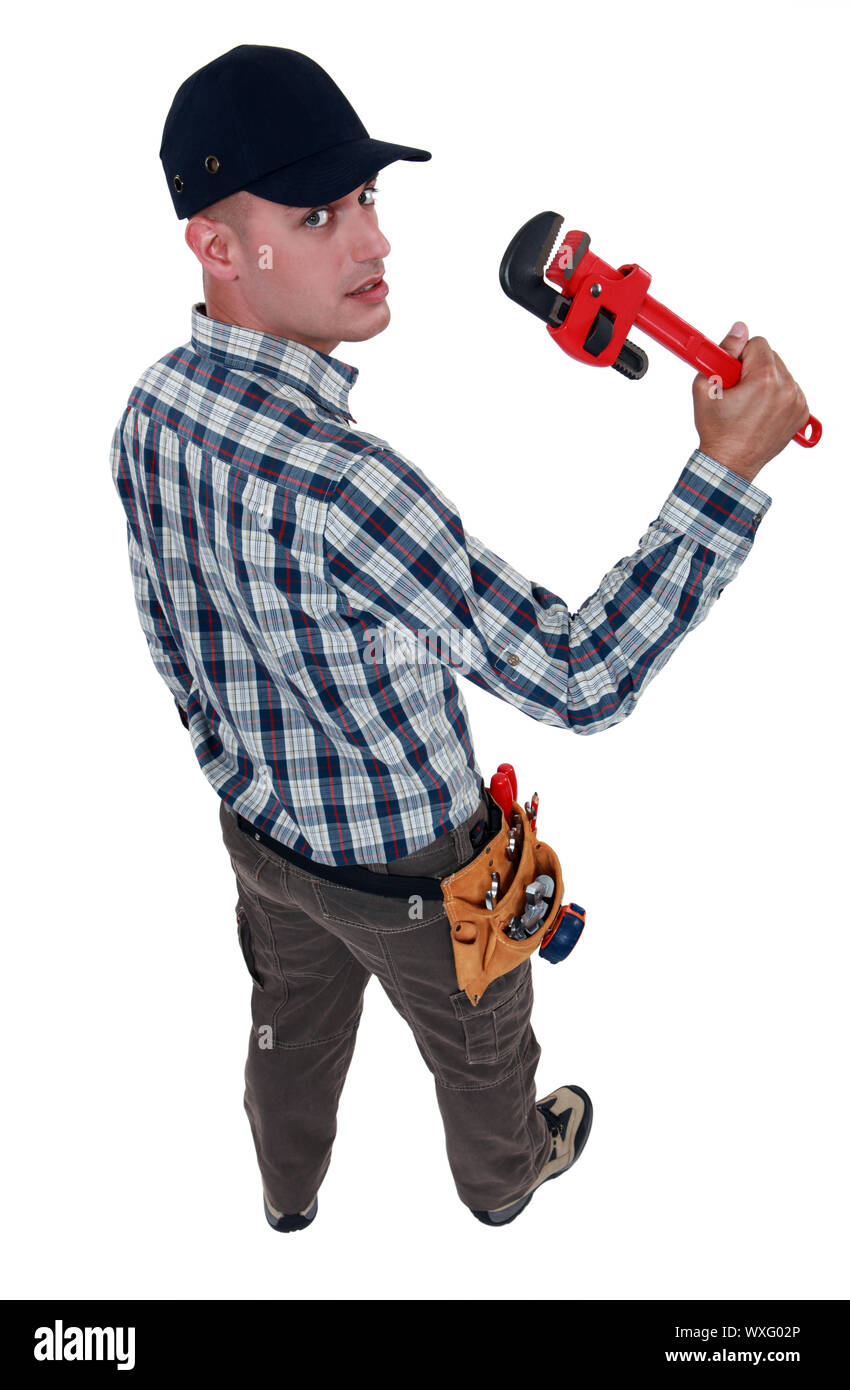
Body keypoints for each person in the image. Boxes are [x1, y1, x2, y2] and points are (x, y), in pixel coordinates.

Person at [110, 45, 811, 1231]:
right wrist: (725, 475)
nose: (373, 243)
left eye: (368, 198)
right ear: (217, 248)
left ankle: (287, 1201)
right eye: (318, 212)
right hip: (421, 889)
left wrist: (247, 771)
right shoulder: (351, 489)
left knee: (286, 1035)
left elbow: (173, 643)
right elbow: (582, 678)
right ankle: (504, 1183)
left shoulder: (150, 410)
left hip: (258, 841)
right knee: (487, 1065)